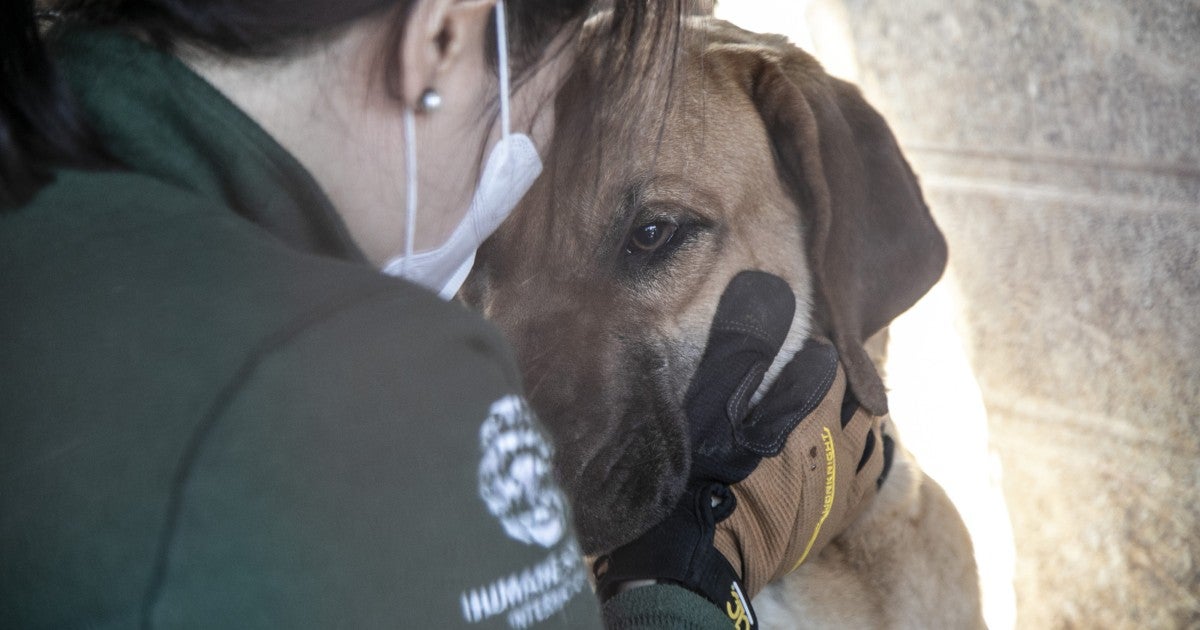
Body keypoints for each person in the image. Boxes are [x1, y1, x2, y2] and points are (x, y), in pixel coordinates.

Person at [0, 0, 887, 627]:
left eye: (651, 234)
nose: (528, 153)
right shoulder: (343, 374)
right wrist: (682, 572)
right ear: (440, 33)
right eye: (540, 113)